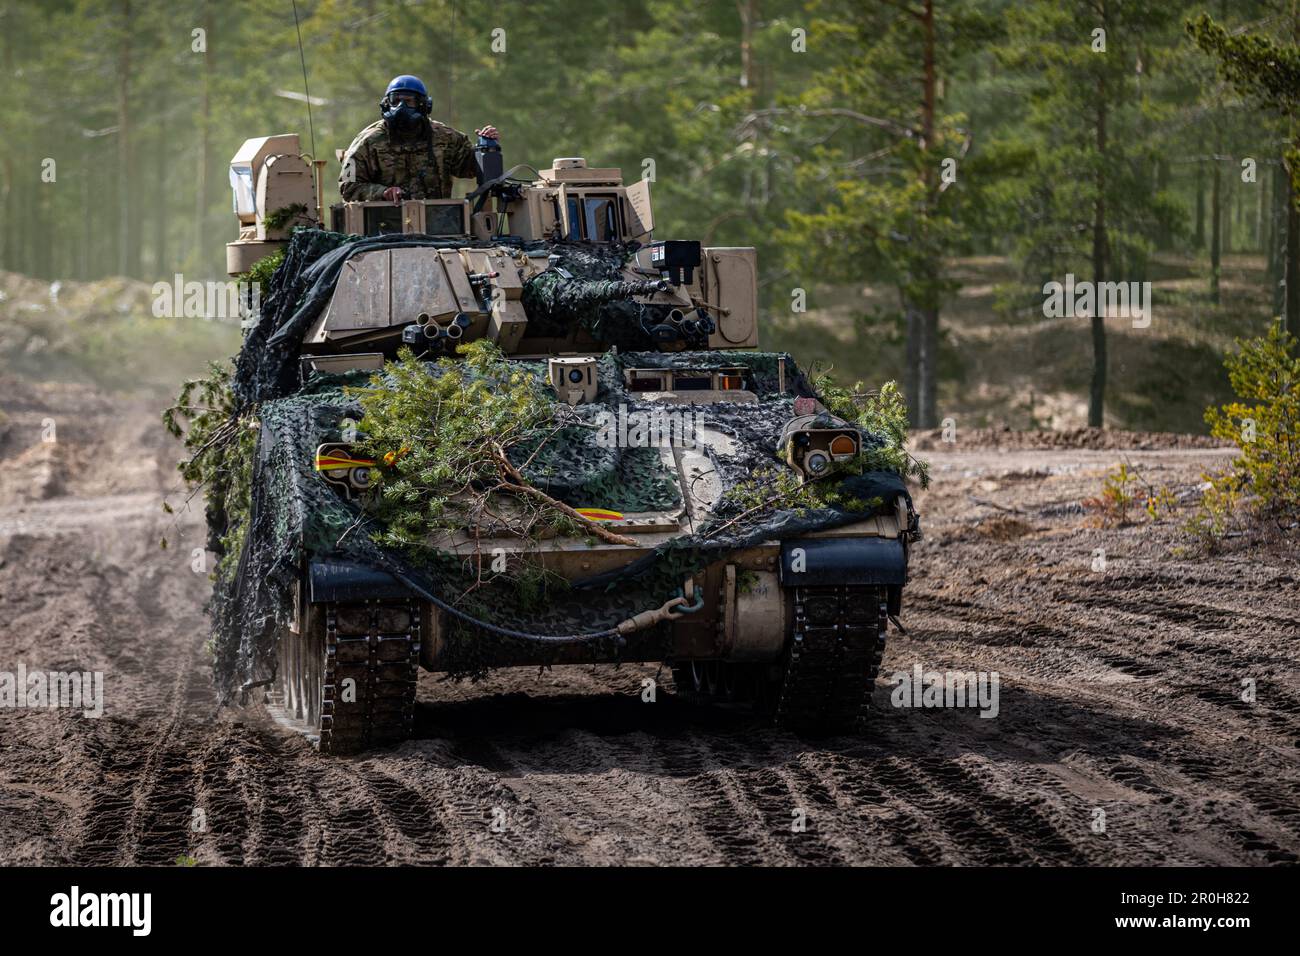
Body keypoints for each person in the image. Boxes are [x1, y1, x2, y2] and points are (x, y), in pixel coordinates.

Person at [338, 74, 499, 203]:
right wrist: (383, 192)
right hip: (384, 228)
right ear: (386, 104)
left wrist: (486, 147)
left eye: (408, 101)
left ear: (424, 105)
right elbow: (348, 186)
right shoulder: (367, 142)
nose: (401, 108)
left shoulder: (447, 138)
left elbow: (470, 169)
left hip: (438, 227)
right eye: (396, 101)